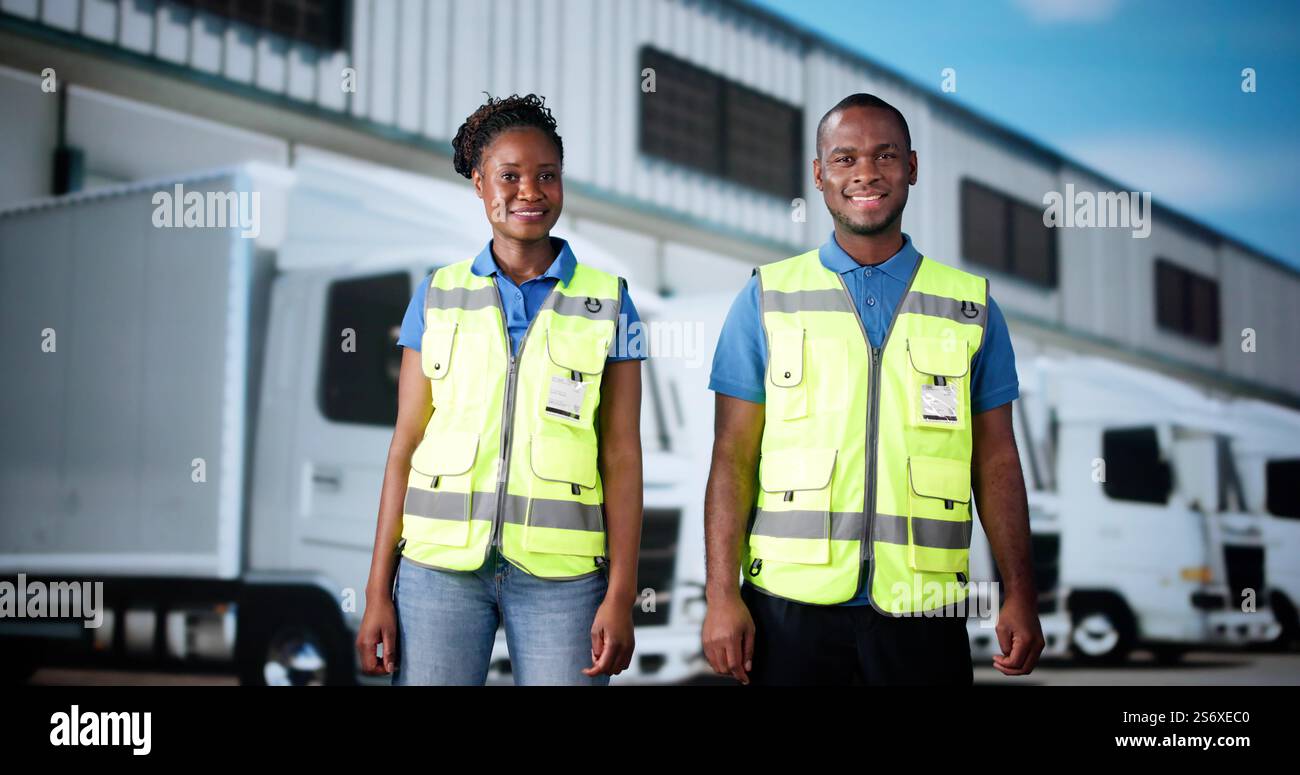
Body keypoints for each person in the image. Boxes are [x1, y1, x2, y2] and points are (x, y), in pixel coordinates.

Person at [700, 93, 1044, 685]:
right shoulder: (765, 299)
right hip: (789, 608)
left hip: (925, 609)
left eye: (885, 156)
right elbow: (732, 457)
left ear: (912, 167)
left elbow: (997, 458)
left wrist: (1021, 592)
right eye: (844, 158)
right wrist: (720, 596)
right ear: (818, 175)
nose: (865, 173)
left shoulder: (970, 307)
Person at [355, 94, 645, 685]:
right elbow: (404, 446)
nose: (529, 192)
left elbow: (621, 453)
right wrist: (377, 590)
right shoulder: (436, 295)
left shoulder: (611, 301)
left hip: (563, 579)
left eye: (547, 176)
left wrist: (621, 592)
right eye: (509, 176)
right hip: (437, 570)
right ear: (480, 184)